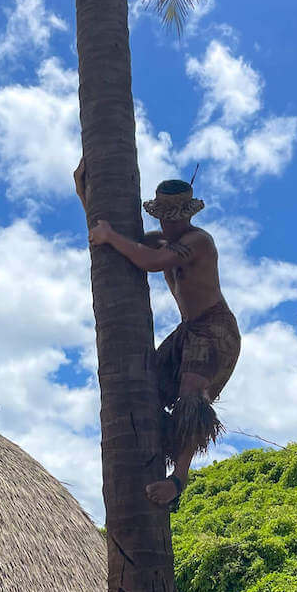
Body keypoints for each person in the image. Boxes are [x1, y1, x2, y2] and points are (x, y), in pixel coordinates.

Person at [81, 171, 241, 510]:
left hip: (215, 330)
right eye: (164, 219)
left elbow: (150, 262)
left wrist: (110, 236)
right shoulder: (161, 240)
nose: (168, 226)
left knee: (191, 400)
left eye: (174, 218)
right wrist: (87, 196)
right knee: (145, 385)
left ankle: (178, 479)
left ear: (187, 216)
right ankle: (157, 452)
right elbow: (121, 238)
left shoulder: (199, 241)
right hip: (188, 330)